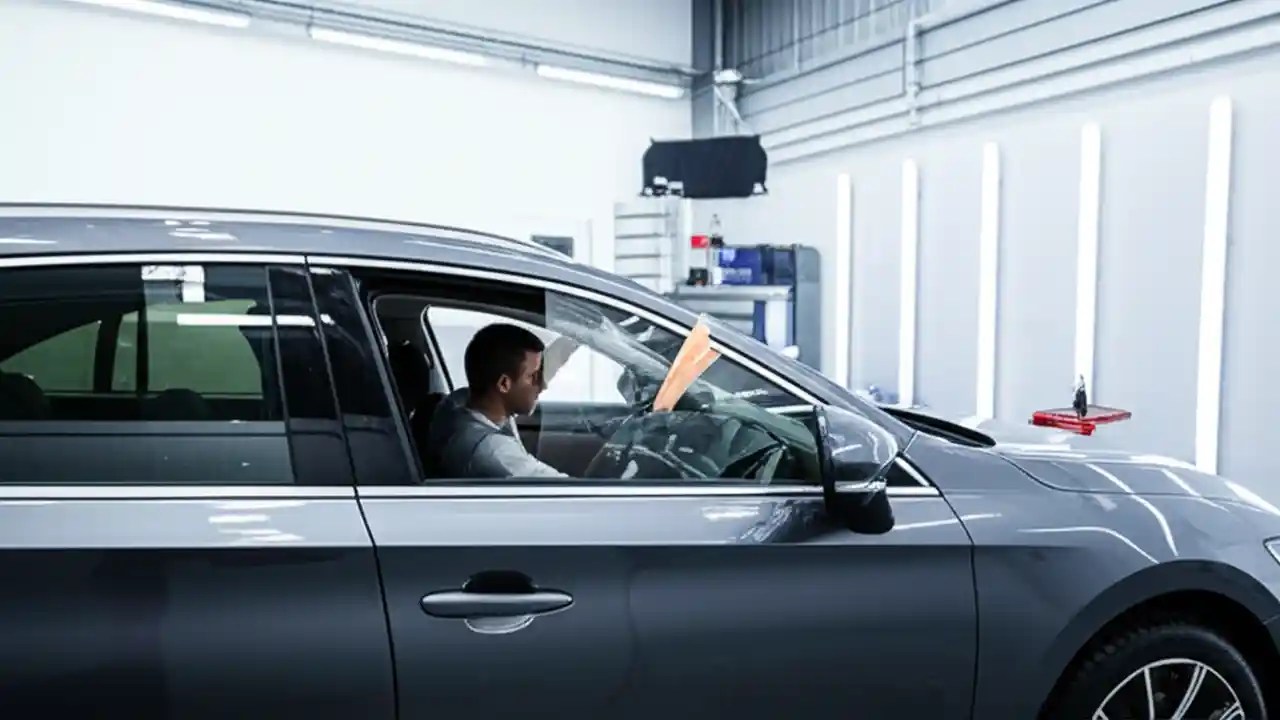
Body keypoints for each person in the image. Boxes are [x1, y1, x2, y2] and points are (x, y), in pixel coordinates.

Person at [427, 322, 572, 478]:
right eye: (532, 376)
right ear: (504, 384)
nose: (542, 385)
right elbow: (573, 495)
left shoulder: (455, 404)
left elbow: (542, 366)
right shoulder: (493, 451)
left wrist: (576, 336)